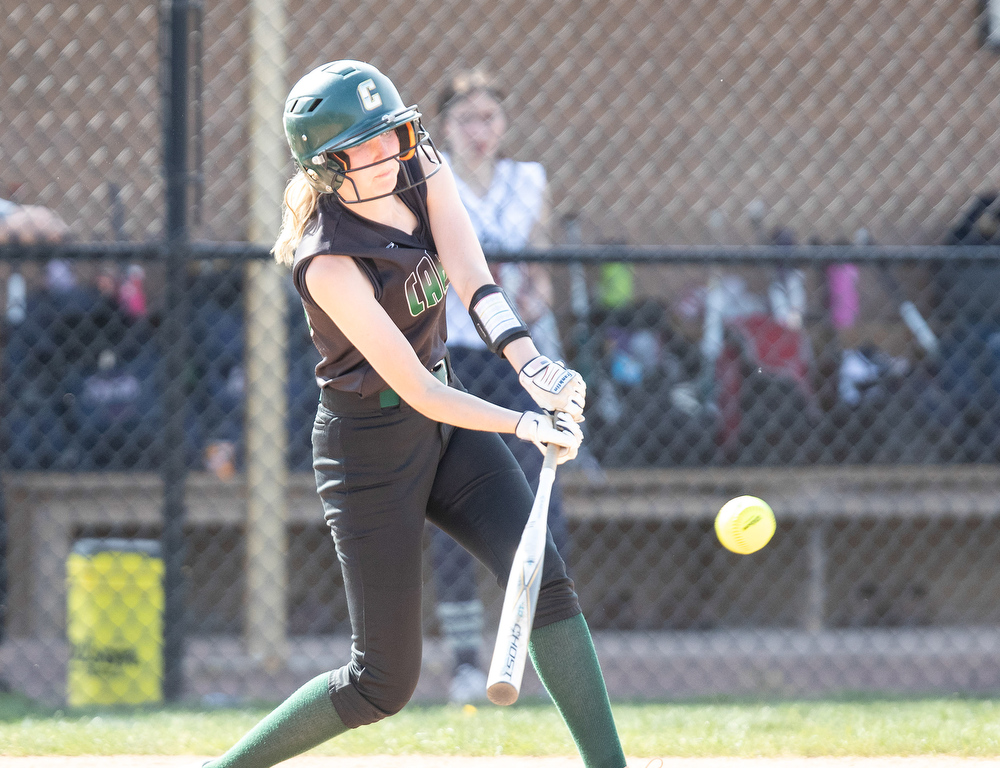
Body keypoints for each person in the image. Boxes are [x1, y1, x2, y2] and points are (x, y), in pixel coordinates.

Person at [202, 61, 626, 768]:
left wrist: (534, 367)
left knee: (544, 579)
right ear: (328, 168)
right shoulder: (328, 260)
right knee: (381, 684)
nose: (388, 151)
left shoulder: (416, 163)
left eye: (392, 133)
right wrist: (524, 423)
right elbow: (415, 388)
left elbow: (471, 276)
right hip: (368, 451)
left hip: (445, 421)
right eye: (364, 146)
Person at [432, 67, 571, 702]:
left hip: (515, 361)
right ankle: (465, 659)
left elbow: (541, 270)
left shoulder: (527, 181)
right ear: (445, 128)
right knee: (452, 500)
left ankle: (545, 650)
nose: (480, 132)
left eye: (490, 119)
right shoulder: (435, 183)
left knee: (539, 497)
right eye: (467, 120)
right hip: (457, 357)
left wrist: (535, 294)